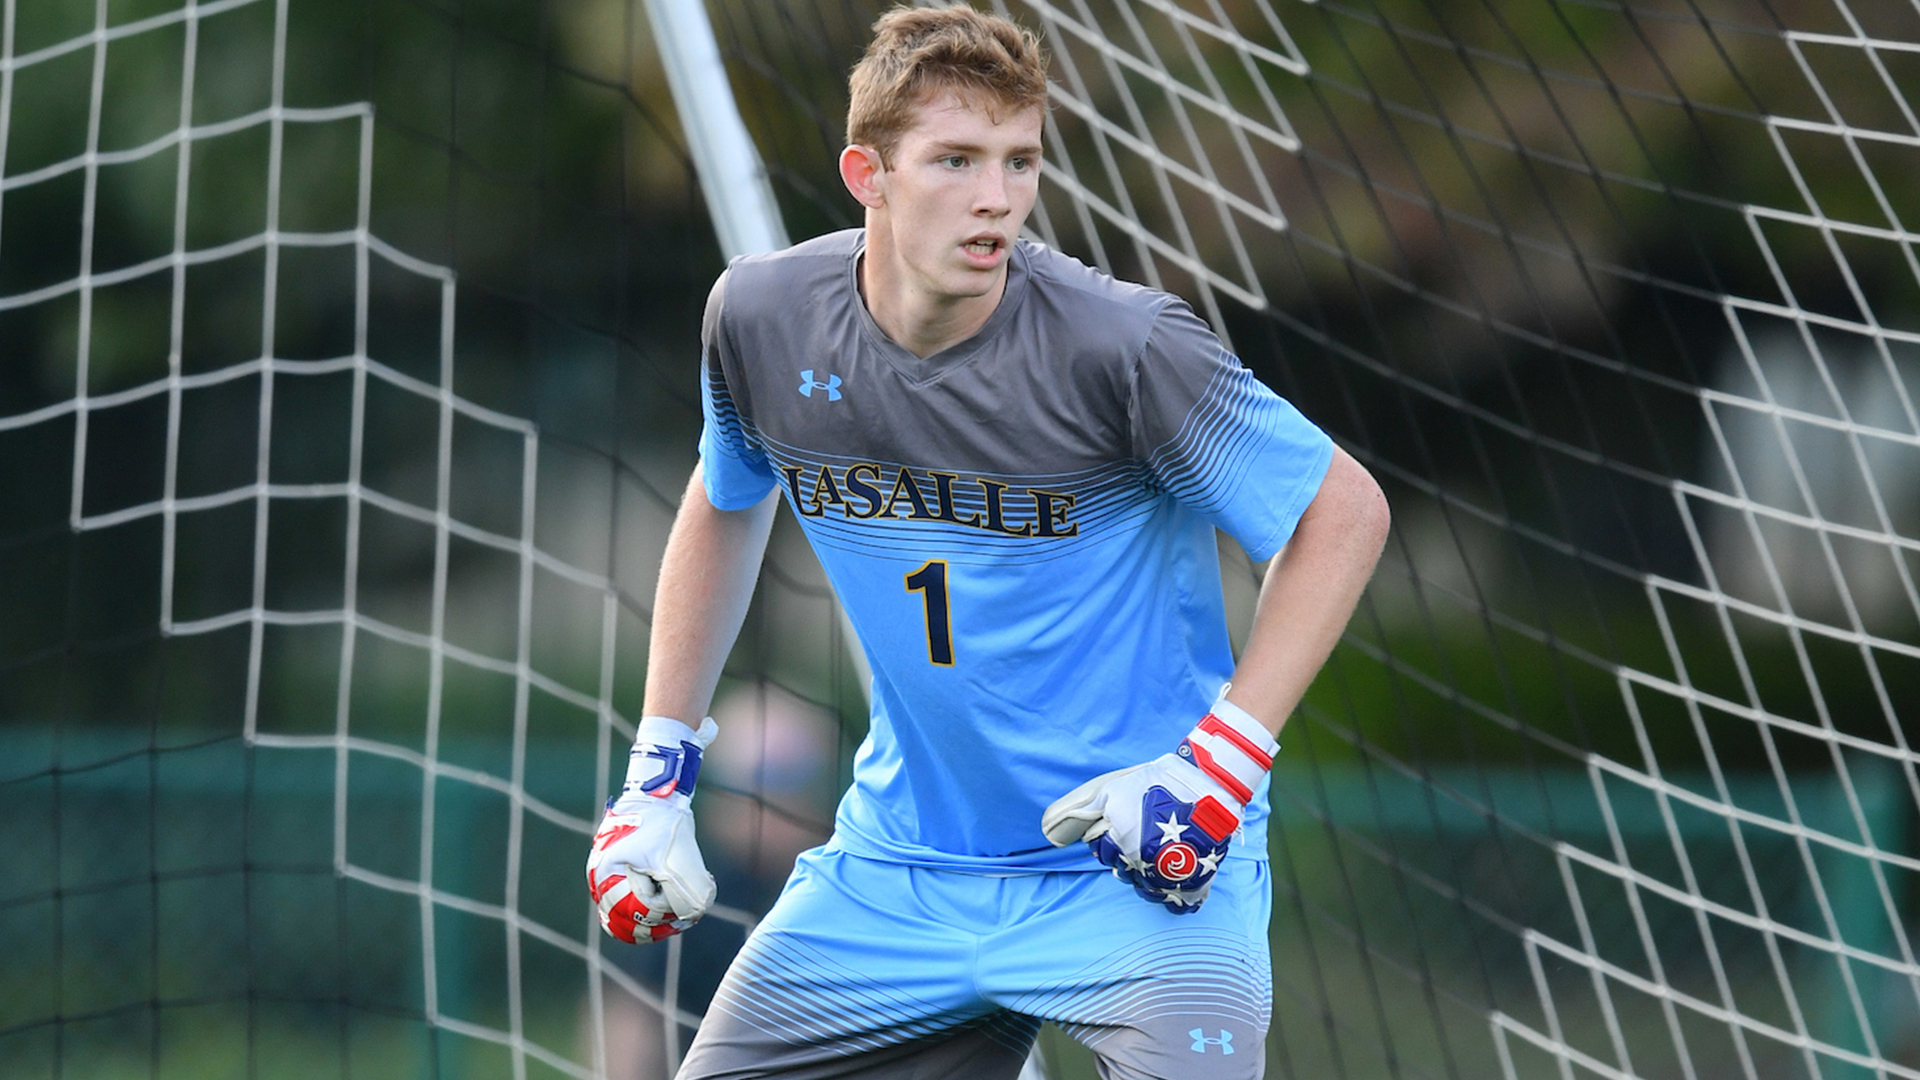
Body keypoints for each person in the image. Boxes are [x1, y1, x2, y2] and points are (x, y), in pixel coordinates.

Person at [586, 5, 1390, 1077]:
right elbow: (727, 499)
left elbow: (1343, 513)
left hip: (1141, 872)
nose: (997, 199)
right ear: (866, 173)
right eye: (956, 160)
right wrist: (657, 773)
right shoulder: (762, 320)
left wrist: (1222, 766)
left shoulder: (1127, 349)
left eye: (1022, 161)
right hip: (896, 870)